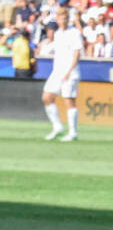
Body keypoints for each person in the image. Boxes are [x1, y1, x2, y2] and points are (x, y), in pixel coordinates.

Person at [42, 9, 82, 142]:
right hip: (57, 71)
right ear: (57, 20)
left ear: (68, 19)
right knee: (47, 97)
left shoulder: (74, 32)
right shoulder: (58, 34)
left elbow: (77, 53)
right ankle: (58, 126)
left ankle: (73, 133)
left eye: (65, 18)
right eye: (60, 18)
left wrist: (70, 70)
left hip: (70, 72)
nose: (63, 21)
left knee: (69, 101)